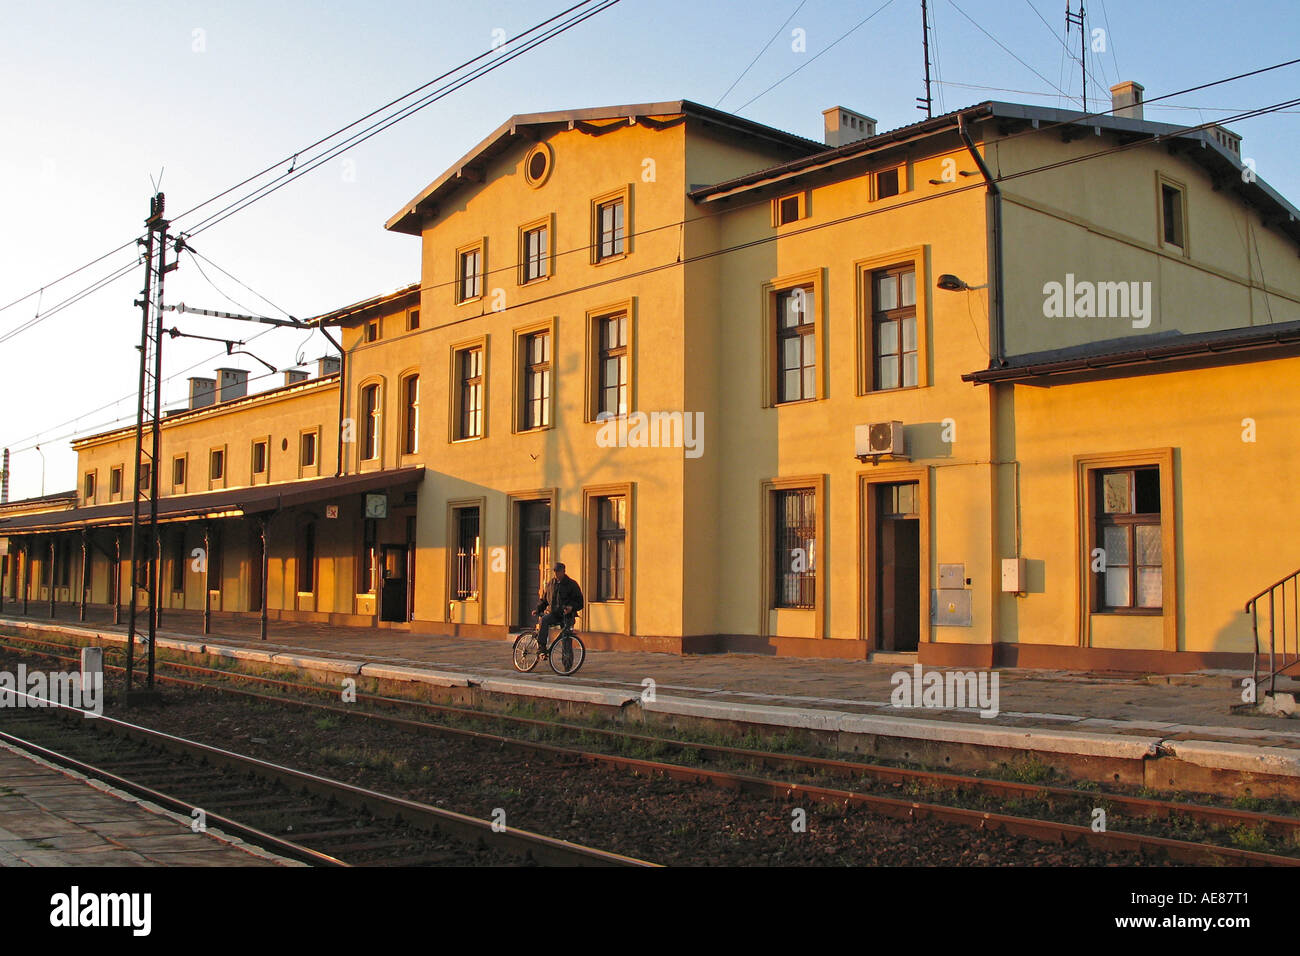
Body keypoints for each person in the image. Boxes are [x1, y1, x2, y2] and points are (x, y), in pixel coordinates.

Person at [535, 562, 584, 659]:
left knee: (566, 638)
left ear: (564, 571)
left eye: (558, 571)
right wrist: (538, 609)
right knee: (544, 620)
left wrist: (571, 607)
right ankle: (542, 648)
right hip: (554, 614)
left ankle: (567, 662)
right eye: (555, 571)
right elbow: (544, 600)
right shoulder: (551, 584)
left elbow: (580, 602)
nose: (556, 573)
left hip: (567, 615)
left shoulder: (572, 584)